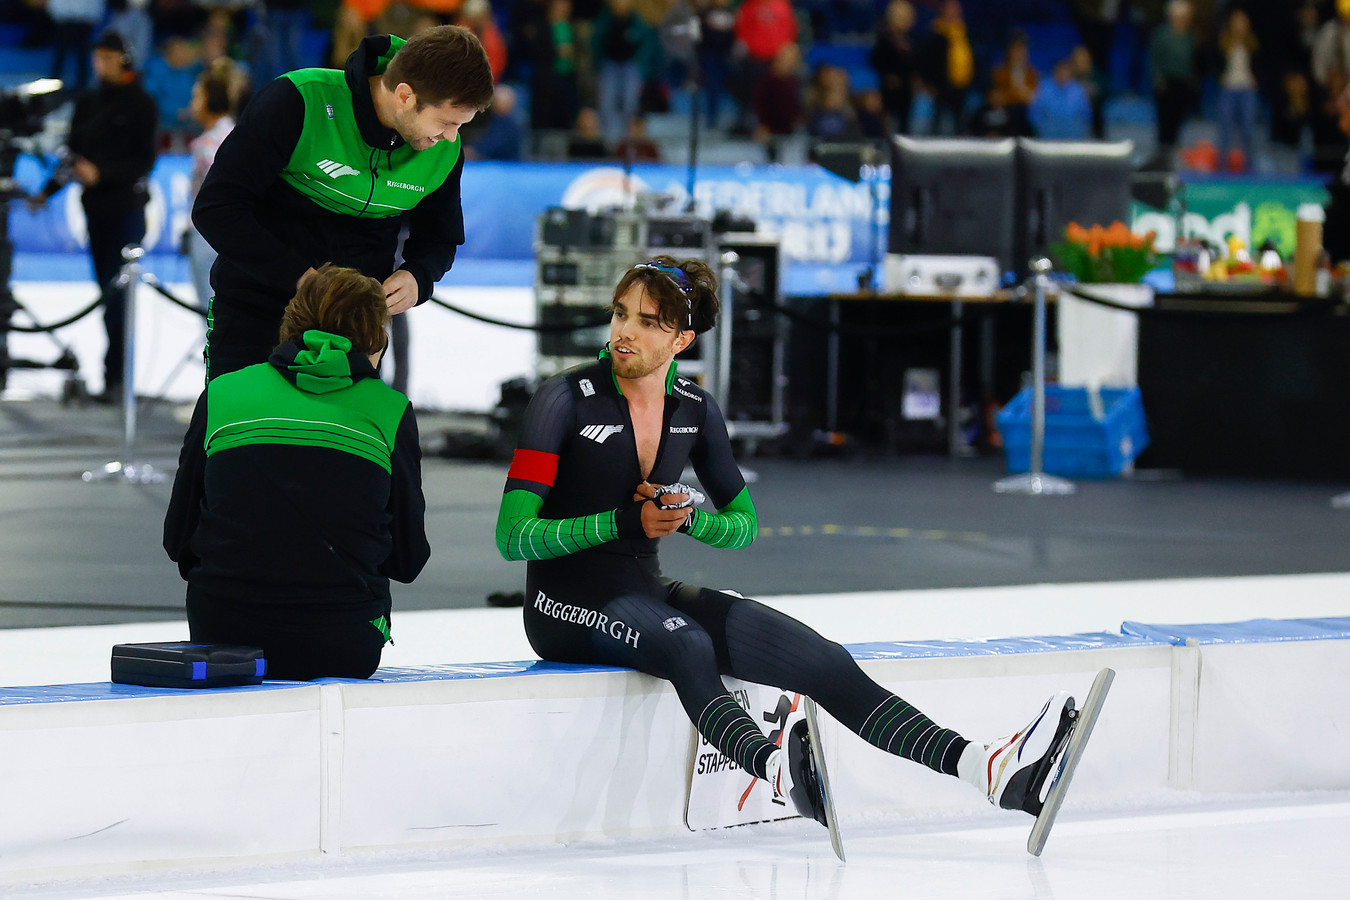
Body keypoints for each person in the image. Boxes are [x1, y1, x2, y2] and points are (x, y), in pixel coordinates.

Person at [495, 256, 1085, 830]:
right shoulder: (565, 399)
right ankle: (775, 769)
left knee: (822, 657)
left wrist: (688, 517)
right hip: (560, 607)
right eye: (621, 313)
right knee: (689, 646)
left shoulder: (696, 410)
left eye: (648, 322)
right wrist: (623, 523)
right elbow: (512, 536)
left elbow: (744, 524)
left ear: (682, 339)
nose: (624, 332)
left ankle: (987, 768)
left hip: (640, 591)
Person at [164, 264, 430, 681]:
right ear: (377, 336)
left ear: (291, 319)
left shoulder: (223, 393)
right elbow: (408, 559)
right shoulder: (390, 411)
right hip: (343, 643)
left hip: (224, 638)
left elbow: (177, 537)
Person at [192, 25, 495, 381]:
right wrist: (298, 277)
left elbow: (439, 237)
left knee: (338, 439)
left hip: (352, 330)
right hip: (255, 311)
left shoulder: (443, 149)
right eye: (446, 121)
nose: (450, 137)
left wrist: (419, 276)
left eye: (460, 126)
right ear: (405, 96)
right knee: (232, 435)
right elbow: (216, 207)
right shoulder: (300, 100)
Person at [28, 29, 157, 401]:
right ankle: (113, 378)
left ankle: (118, 379)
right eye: (97, 57)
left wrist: (103, 174)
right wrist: (47, 192)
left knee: (118, 298)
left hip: (126, 210)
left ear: (123, 58)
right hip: (95, 211)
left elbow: (144, 161)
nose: (99, 63)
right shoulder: (88, 100)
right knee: (106, 294)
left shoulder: (142, 104)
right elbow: (72, 153)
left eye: (106, 56)